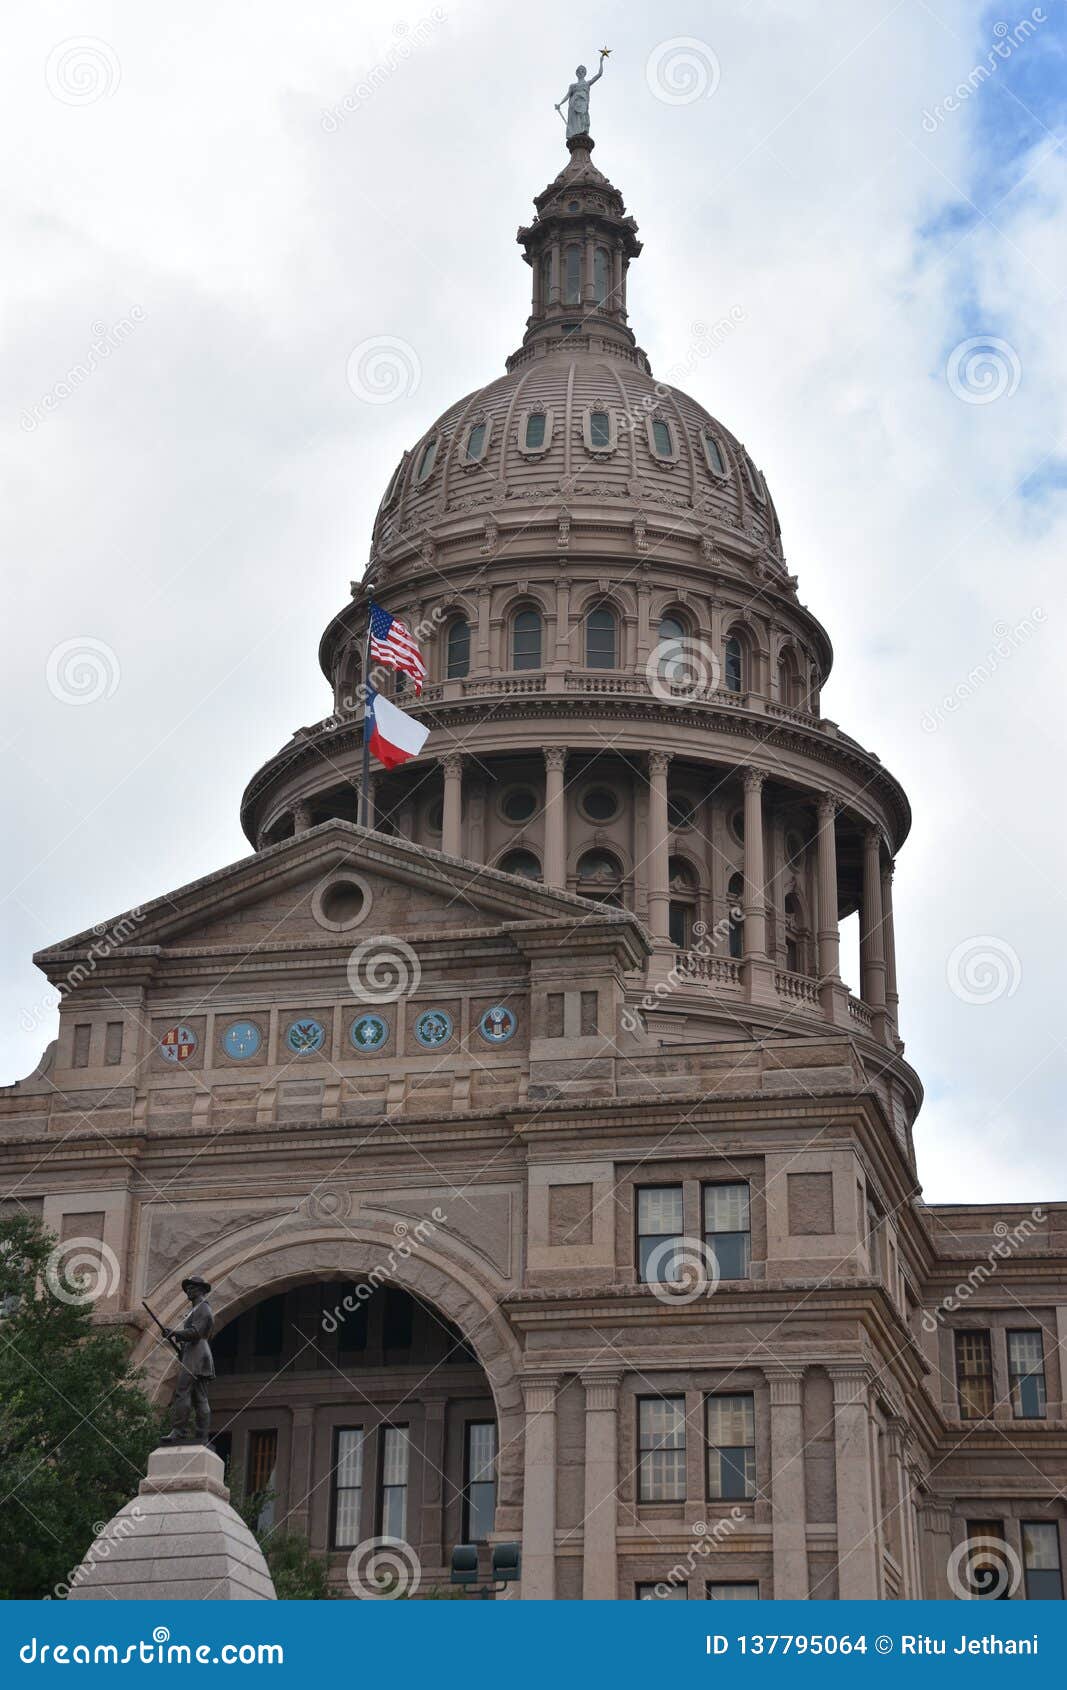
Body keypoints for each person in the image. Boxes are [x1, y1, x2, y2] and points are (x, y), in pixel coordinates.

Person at [163, 1276, 215, 1443]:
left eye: (192, 1288)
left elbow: (196, 1333)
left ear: (200, 1289)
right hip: (195, 1353)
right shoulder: (196, 1309)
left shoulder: (203, 1308)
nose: (188, 1291)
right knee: (199, 1397)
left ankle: (180, 1432)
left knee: (183, 1392)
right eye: (187, 1288)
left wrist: (175, 1333)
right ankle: (201, 1436)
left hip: (196, 1353)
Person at [556, 50, 609, 139]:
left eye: (582, 71)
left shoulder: (587, 83)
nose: (581, 72)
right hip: (574, 104)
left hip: (583, 103)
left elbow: (599, 74)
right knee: (576, 118)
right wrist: (560, 104)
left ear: (585, 73)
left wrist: (601, 61)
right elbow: (567, 96)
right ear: (577, 73)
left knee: (583, 115)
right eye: (579, 71)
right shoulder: (573, 86)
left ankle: (583, 131)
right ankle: (576, 132)